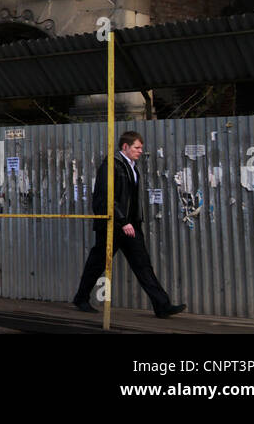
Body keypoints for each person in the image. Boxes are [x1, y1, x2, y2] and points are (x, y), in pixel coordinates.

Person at [72, 131, 186, 318]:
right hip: (113, 225)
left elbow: (129, 199)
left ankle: (162, 306)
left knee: (142, 264)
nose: (141, 151)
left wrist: (132, 222)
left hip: (130, 226)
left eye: (141, 147)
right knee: (97, 262)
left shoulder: (130, 166)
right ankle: (81, 298)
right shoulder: (111, 166)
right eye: (137, 147)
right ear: (125, 147)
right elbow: (105, 198)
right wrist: (122, 221)